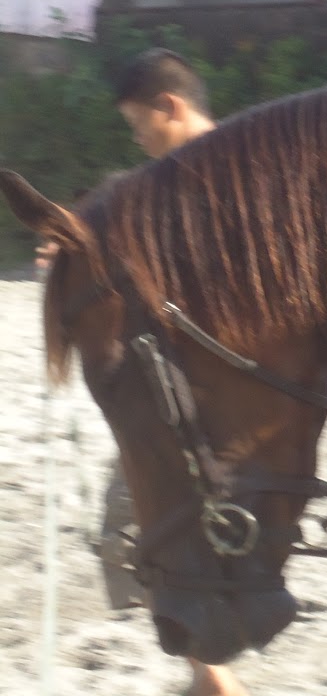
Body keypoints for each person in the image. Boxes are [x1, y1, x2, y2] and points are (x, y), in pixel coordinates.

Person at [38, 48, 242, 696]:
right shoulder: (191, 175)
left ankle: (214, 678)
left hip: (212, 400)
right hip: (187, 395)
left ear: (170, 107)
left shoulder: (226, 174)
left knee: (134, 528)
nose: (137, 137)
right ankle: (209, 673)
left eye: (138, 123)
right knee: (139, 529)